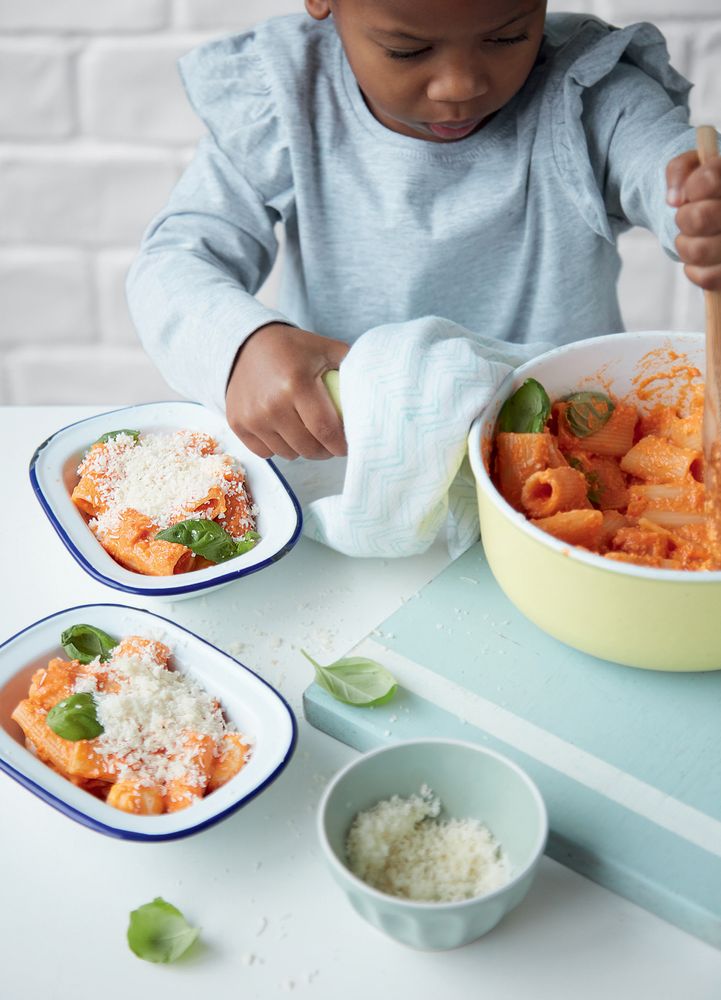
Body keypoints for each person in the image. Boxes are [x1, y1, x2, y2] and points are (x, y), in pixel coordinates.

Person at [127, 0, 721, 463]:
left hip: (571, 456)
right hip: (353, 463)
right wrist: (240, 345)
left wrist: (696, 208)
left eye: (507, 36)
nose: (459, 85)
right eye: (407, 50)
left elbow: (666, 167)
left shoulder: (590, 94)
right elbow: (175, 259)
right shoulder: (286, 98)